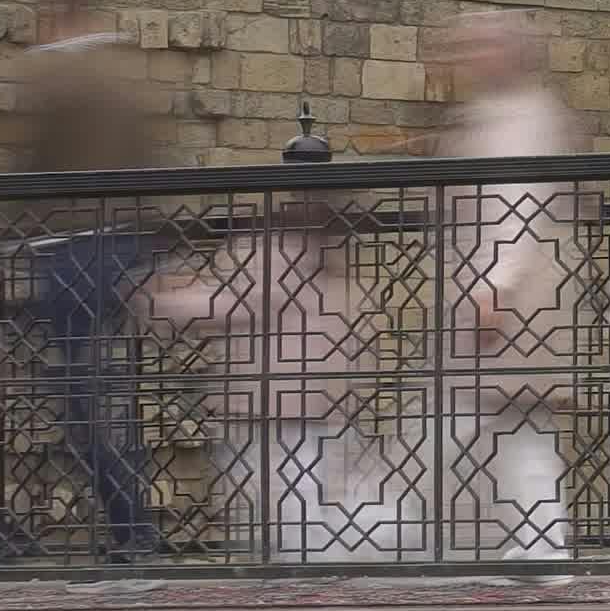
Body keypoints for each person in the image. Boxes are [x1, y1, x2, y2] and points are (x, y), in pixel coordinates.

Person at [146, 204, 414, 563]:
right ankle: (338, 565)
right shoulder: (331, 262)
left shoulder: (277, 253)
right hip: (316, 401)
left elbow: (230, 306)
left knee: (294, 509)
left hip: (277, 406)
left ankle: (326, 575)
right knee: (305, 501)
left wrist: (159, 300)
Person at [8, 0, 166, 562]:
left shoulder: (55, 72)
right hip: (119, 248)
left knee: (79, 400)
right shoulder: (125, 74)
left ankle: (131, 528)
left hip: (69, 252)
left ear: (60, 6)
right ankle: (126, 524)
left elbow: (28, 168)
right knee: (96, 395)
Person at [430, 10, 579, 565]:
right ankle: (510, 544)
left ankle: (537, 546)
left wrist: (495, 287)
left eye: (478, 46)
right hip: (502, 292)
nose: (467, 57)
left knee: (502, 422)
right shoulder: (495, 113)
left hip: (510, 297)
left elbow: (518, 202)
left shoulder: (522, 116)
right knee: (494, 423)